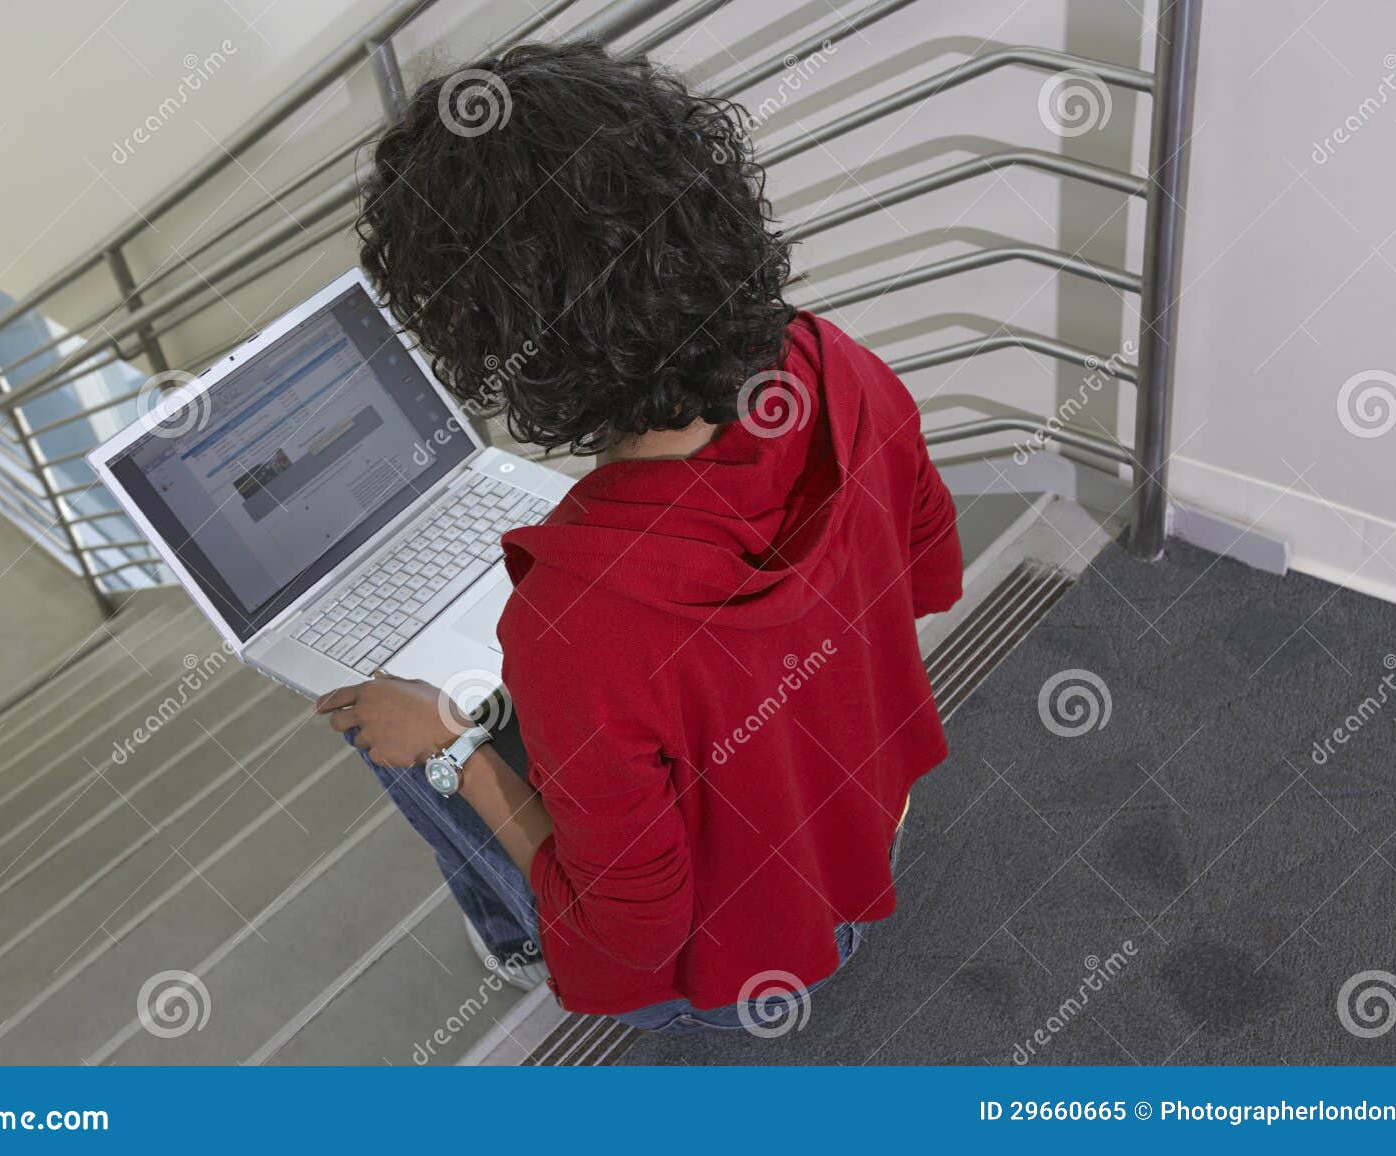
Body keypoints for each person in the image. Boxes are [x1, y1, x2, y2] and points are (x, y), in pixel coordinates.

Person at [313, 41, 962, 1033]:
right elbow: (920, 575)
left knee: (395, 725)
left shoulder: (577, 619)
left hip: (739, 973)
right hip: (864, 838)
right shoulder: (841, 368)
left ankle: (521, 940)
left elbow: (630, 934)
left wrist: (454, 747)